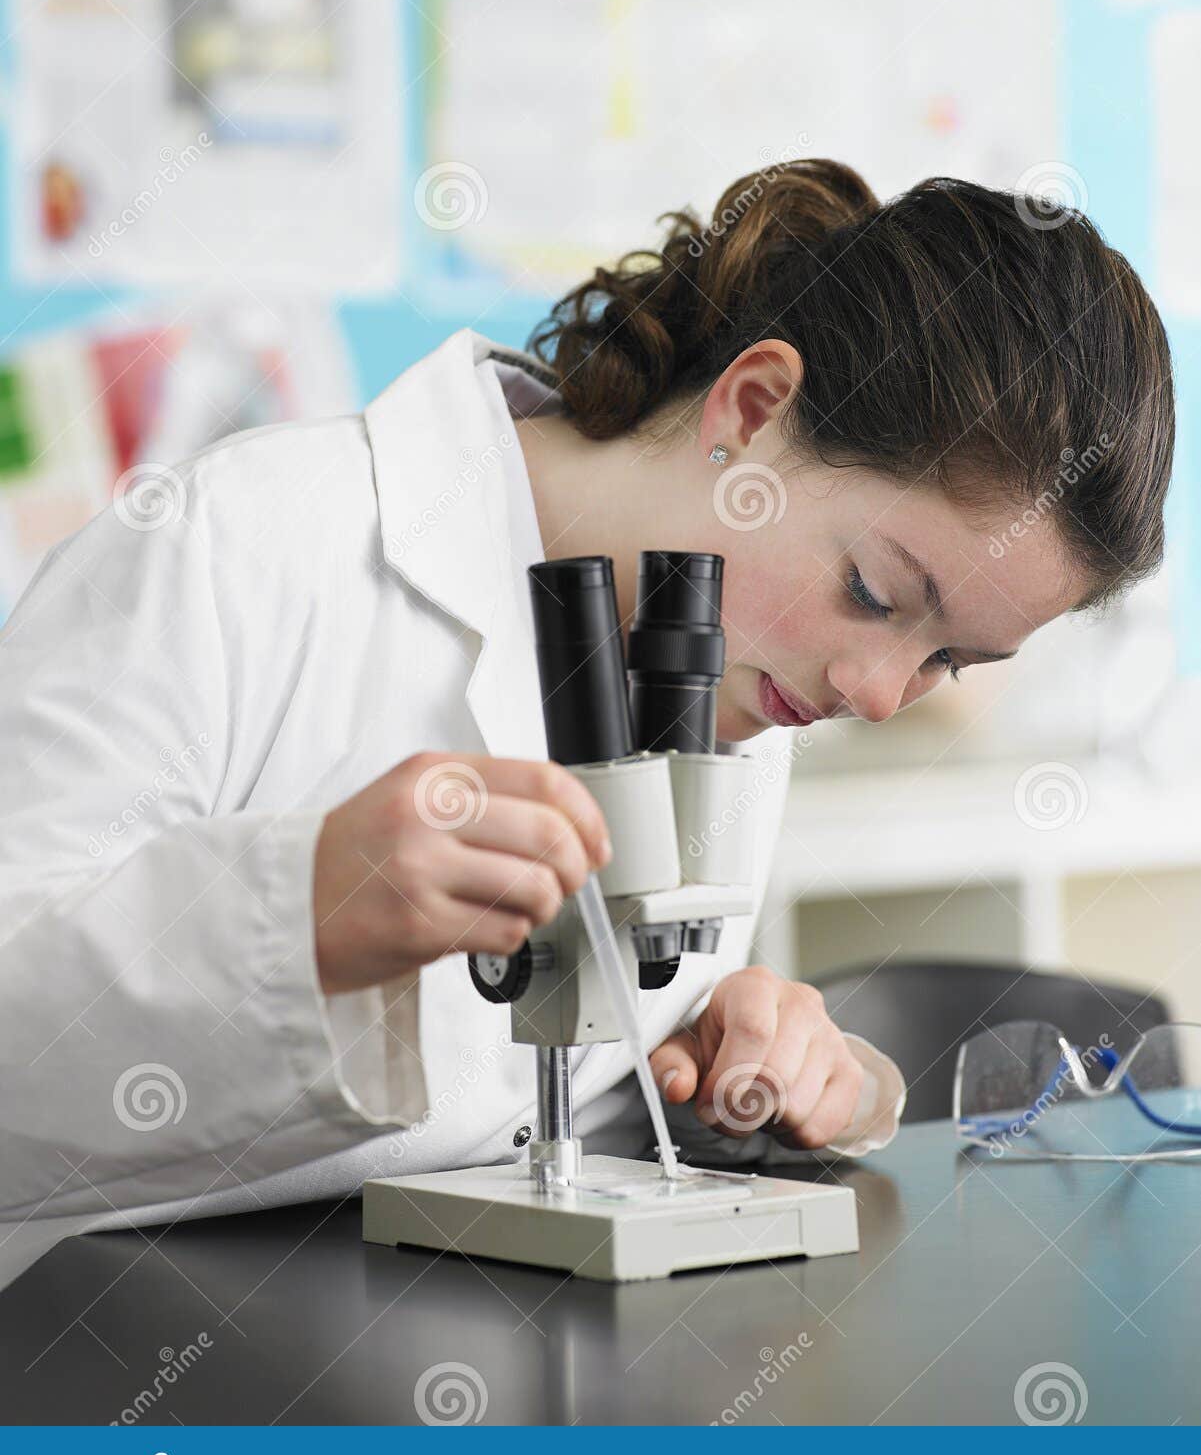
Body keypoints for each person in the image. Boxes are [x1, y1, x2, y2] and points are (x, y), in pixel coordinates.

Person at [0, 158, 1174, 1275]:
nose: (873, 695)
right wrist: (295, 916)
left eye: (948, 661)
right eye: (873, 591)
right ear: (753, 409)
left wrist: (775, 1069)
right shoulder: (235, 543)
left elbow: (573, 1103)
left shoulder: (742, 680)